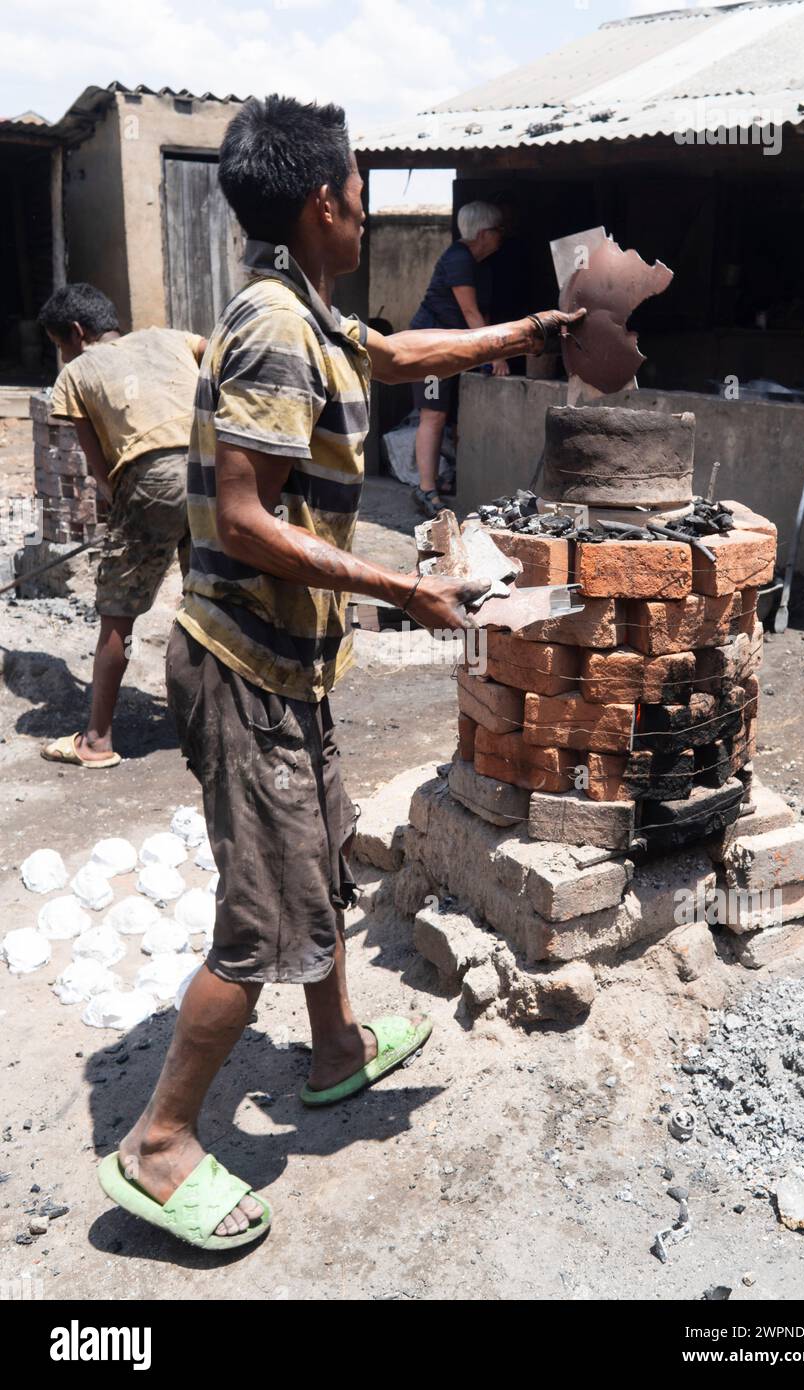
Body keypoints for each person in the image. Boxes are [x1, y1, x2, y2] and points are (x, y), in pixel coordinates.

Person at [97, 94, 584, 1250]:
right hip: (243, 666)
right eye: (361, 187)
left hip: (292, 668)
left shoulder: (317, 312)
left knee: (321, 857)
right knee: (260, 915)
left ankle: (333, 1051)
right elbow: (244, 517)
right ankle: (160, 1142)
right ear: (325, 198)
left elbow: (402, 349)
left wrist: (522, 331)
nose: (369, 206)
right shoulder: (271, 326)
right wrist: (408, 590)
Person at [37, 284, 206, 768]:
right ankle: (210, 720)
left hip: (154, 479)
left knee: (119, 612)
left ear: (75, 334)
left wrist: (123, 516)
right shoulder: (171, 337)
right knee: (209, 599)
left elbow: (101, 472)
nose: (61, 354)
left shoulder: (76, 371)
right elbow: (218, 351)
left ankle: (95, 741)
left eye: (59, 345)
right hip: (216, 473)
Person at [408, 200, 506, 517]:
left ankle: (443, 479)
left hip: (457, 346)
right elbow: (470, 312)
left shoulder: (484, 265)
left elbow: (484, 313)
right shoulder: (459, 258)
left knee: (453, 416)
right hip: (432, 349)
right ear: (482, 233)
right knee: (433, 414)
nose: (502, 235)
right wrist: (495, 353)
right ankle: (425, 488)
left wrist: (489, 354)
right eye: (497, 229)